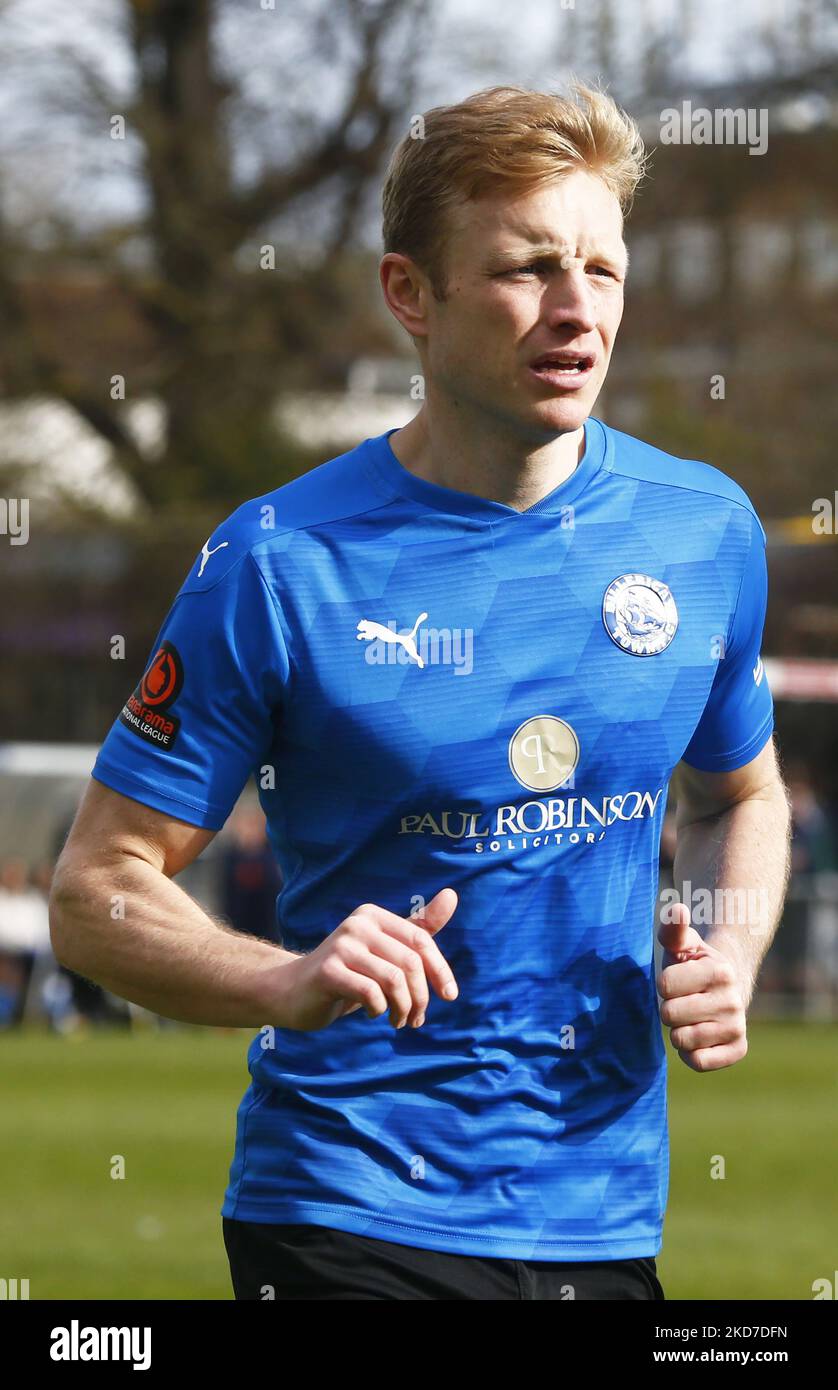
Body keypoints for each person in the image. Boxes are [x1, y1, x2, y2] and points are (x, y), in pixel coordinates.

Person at [49, 82, 791, 1301]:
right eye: (526, 270)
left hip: (601, 1221)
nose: (575, 312)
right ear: (410, 294)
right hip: (347, 1208)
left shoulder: (701, 529)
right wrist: (283, 982)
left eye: (602, 271)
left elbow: (740, 794)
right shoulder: (278, 562)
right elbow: (95, 890)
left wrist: (732, 947)